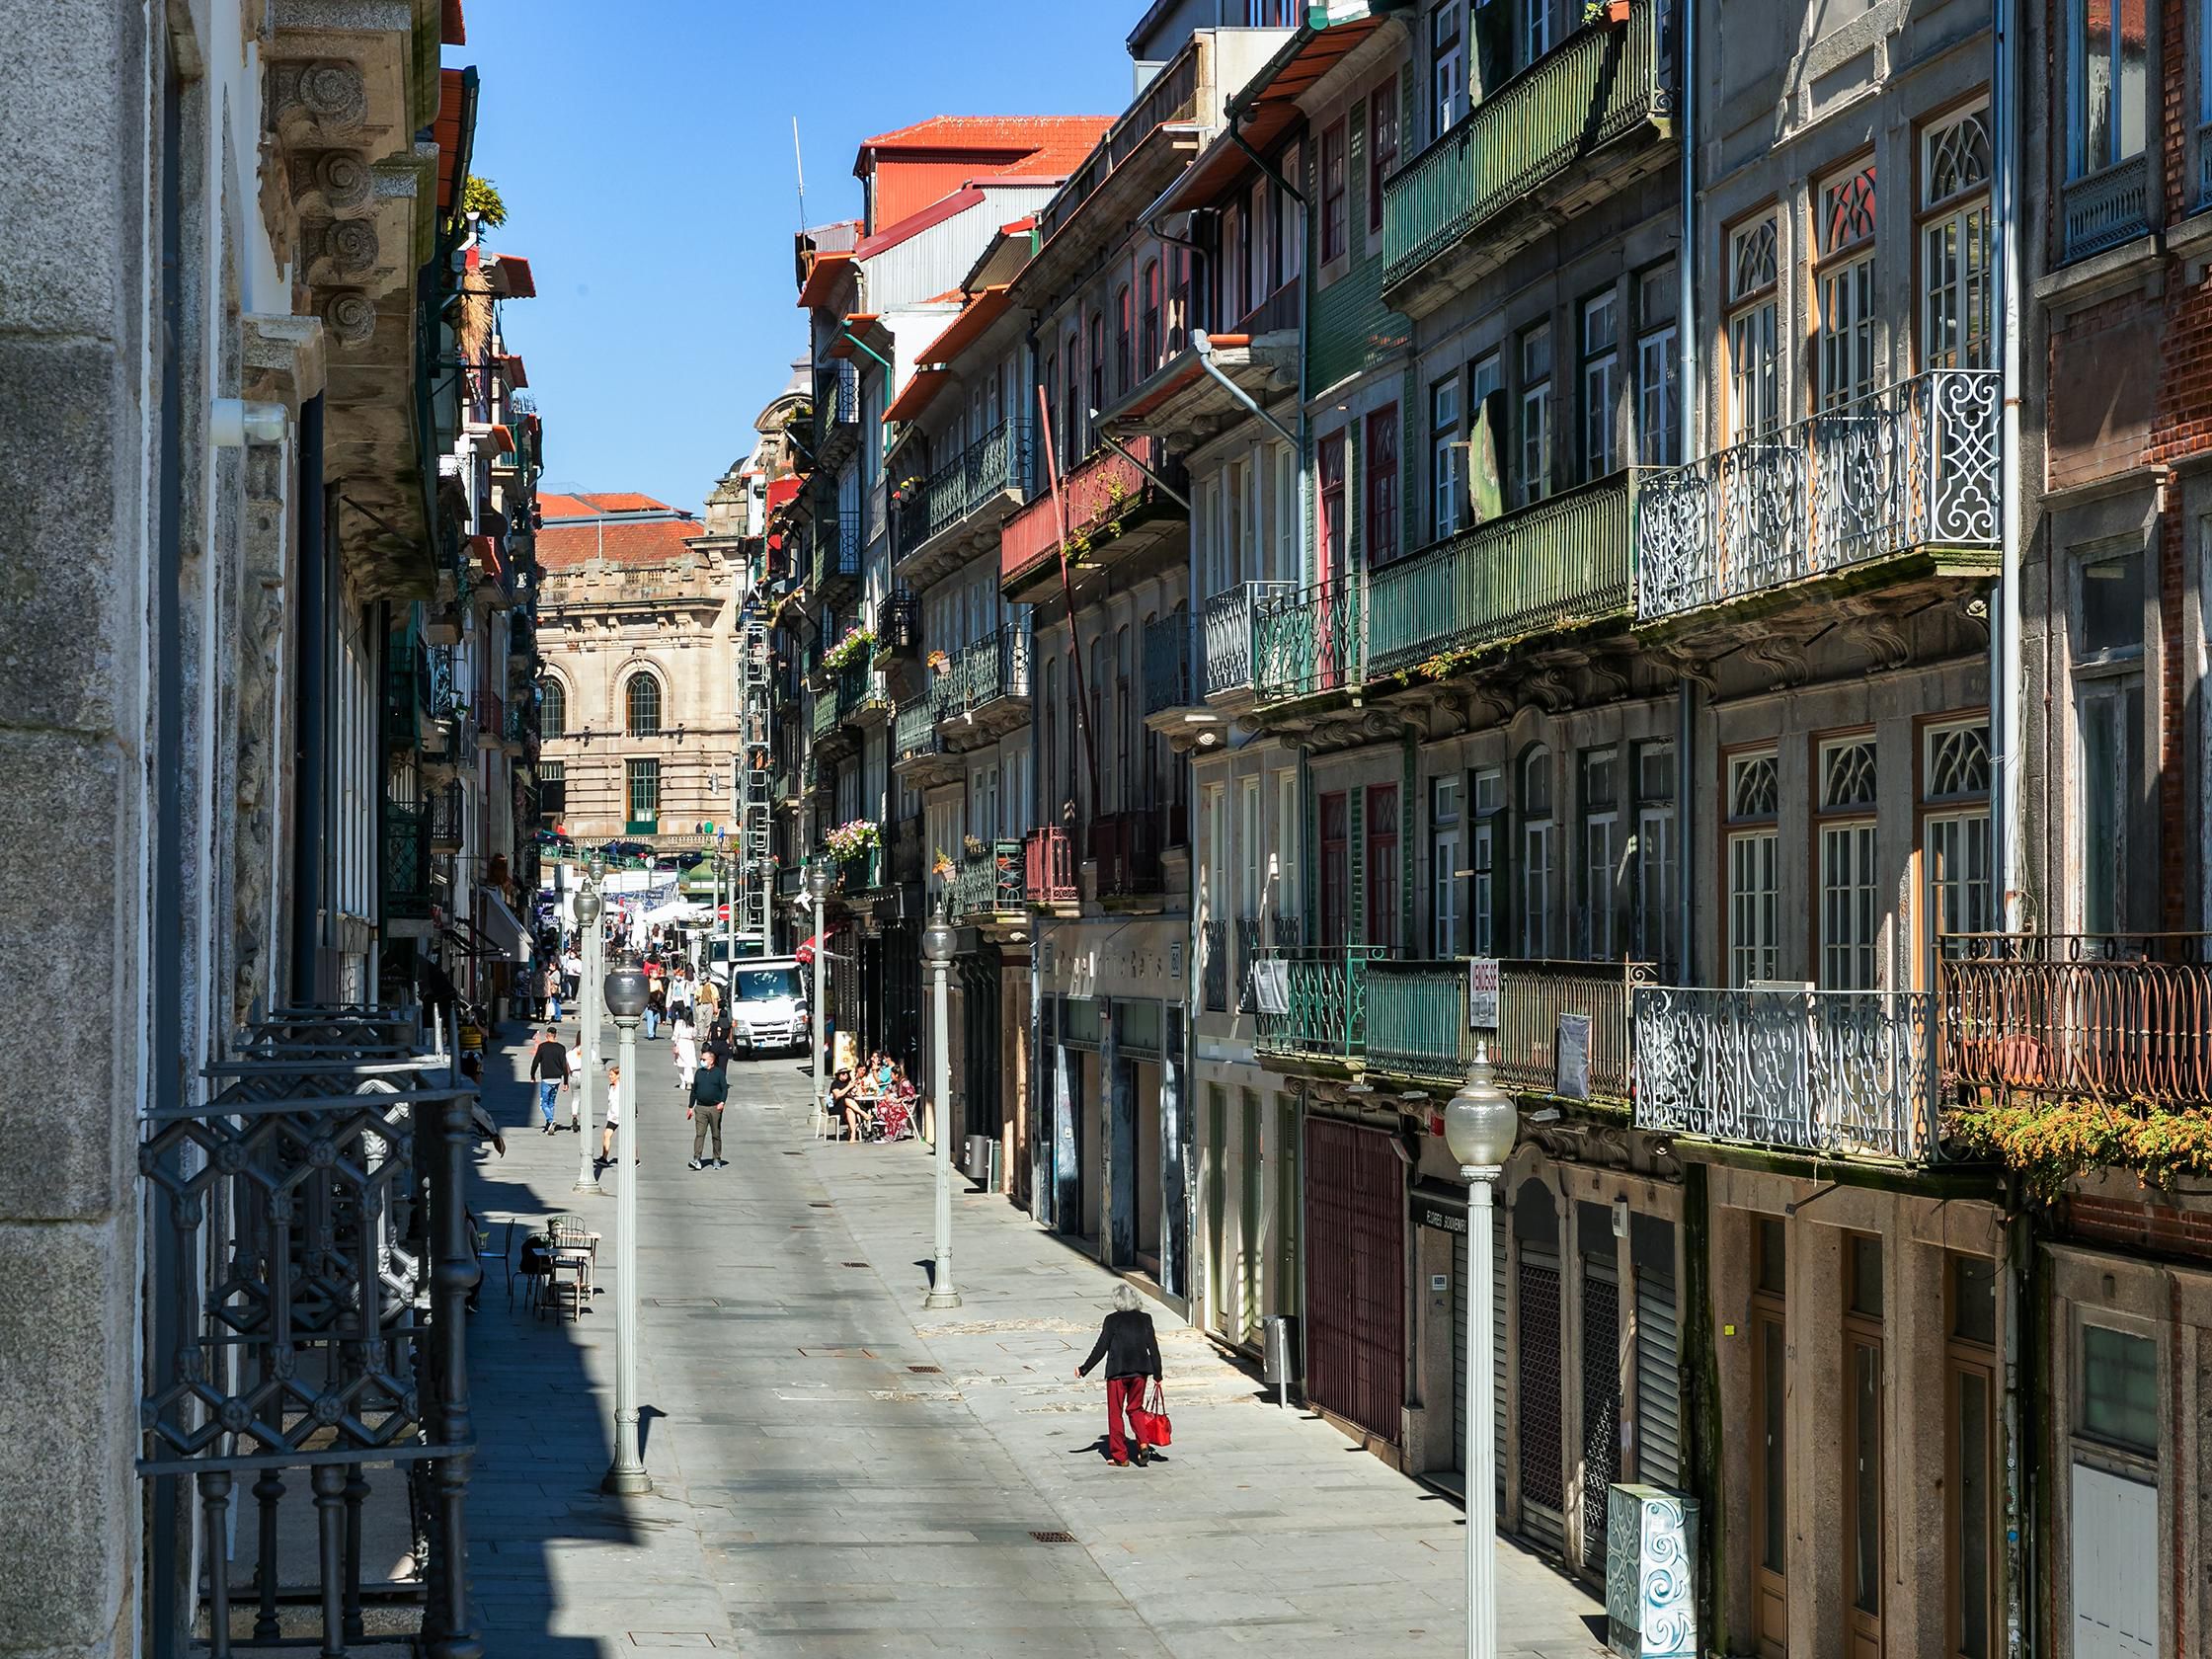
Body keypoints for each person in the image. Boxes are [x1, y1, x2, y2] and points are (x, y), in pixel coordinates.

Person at [1075, 1283, 1164, 1467]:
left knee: (1115, 1413)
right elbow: (1153, 1348)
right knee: (1135, 1409)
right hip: (1140, 1371)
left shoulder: (1111, 1320)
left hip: (1117, 1373)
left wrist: (1084, 1369)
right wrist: (1158, 1374)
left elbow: (1101, 1348)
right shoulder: (1145, 1319)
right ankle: (1143, 1442)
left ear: (1117, 1302)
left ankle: (1120, 1457)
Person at [687, 1048, 728, 1169]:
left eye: (704, 1059)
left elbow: (724, 1089)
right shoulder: (699, 1073)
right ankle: (696, 1158)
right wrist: (690, 1106)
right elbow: (694, 1091)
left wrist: (722, 1102)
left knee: (716, 1134)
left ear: (711, 1060)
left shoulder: (719, 1073)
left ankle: (716, 1158)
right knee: (700, 1134)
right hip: (700, 1108)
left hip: (715, 1108)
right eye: (701, 1059)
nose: (702, 1061)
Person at [528, 1027, 567, 1134]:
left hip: (546, 1078)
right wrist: (566, 1082)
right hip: (557, 1079)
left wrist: (532, 1075)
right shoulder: (561, 1048)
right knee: (551, 1102)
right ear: (555, 1035)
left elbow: (535, 1062)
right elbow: (564, 1065)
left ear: (547, 1035)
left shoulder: (542, 1047)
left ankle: (550, 1120)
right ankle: (549, 1124)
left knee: (544, 1103)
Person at [598, 1063, 628, 1168]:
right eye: (609, 1075)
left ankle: (635, 1159)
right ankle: (604, 1158)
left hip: (624, 1115)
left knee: (629, 1138)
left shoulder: (623, 1087)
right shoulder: (610, 1087)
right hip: (613, 1116)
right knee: (607, 1135)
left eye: (612, 1075)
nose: (610, 1077)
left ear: (618, 1075)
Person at [830, 1066, 870, 1145]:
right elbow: (838, 1095)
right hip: (837, 1106)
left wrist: (858, 1086)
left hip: (850, 1107)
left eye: (847, 1073)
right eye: (843, 1073)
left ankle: (853, 1136)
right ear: (838, 1075)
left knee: (849, 1110)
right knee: (845, 1099)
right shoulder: (835, 1083)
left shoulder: (850, 1082)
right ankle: (862, 1113)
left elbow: (858, 1095)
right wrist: (849, 1087)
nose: (845, 1075)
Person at [671, 1003, 698, 1094]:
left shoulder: (679, 1023)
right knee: (689, 1064)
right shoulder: (693, 1024)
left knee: (680, 1064)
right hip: (689, 1044)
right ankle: (689, 1081)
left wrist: (675, 1043)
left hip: (681, 1043)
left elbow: (675, 1035)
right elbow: (694, 1035)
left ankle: (683, 1082)